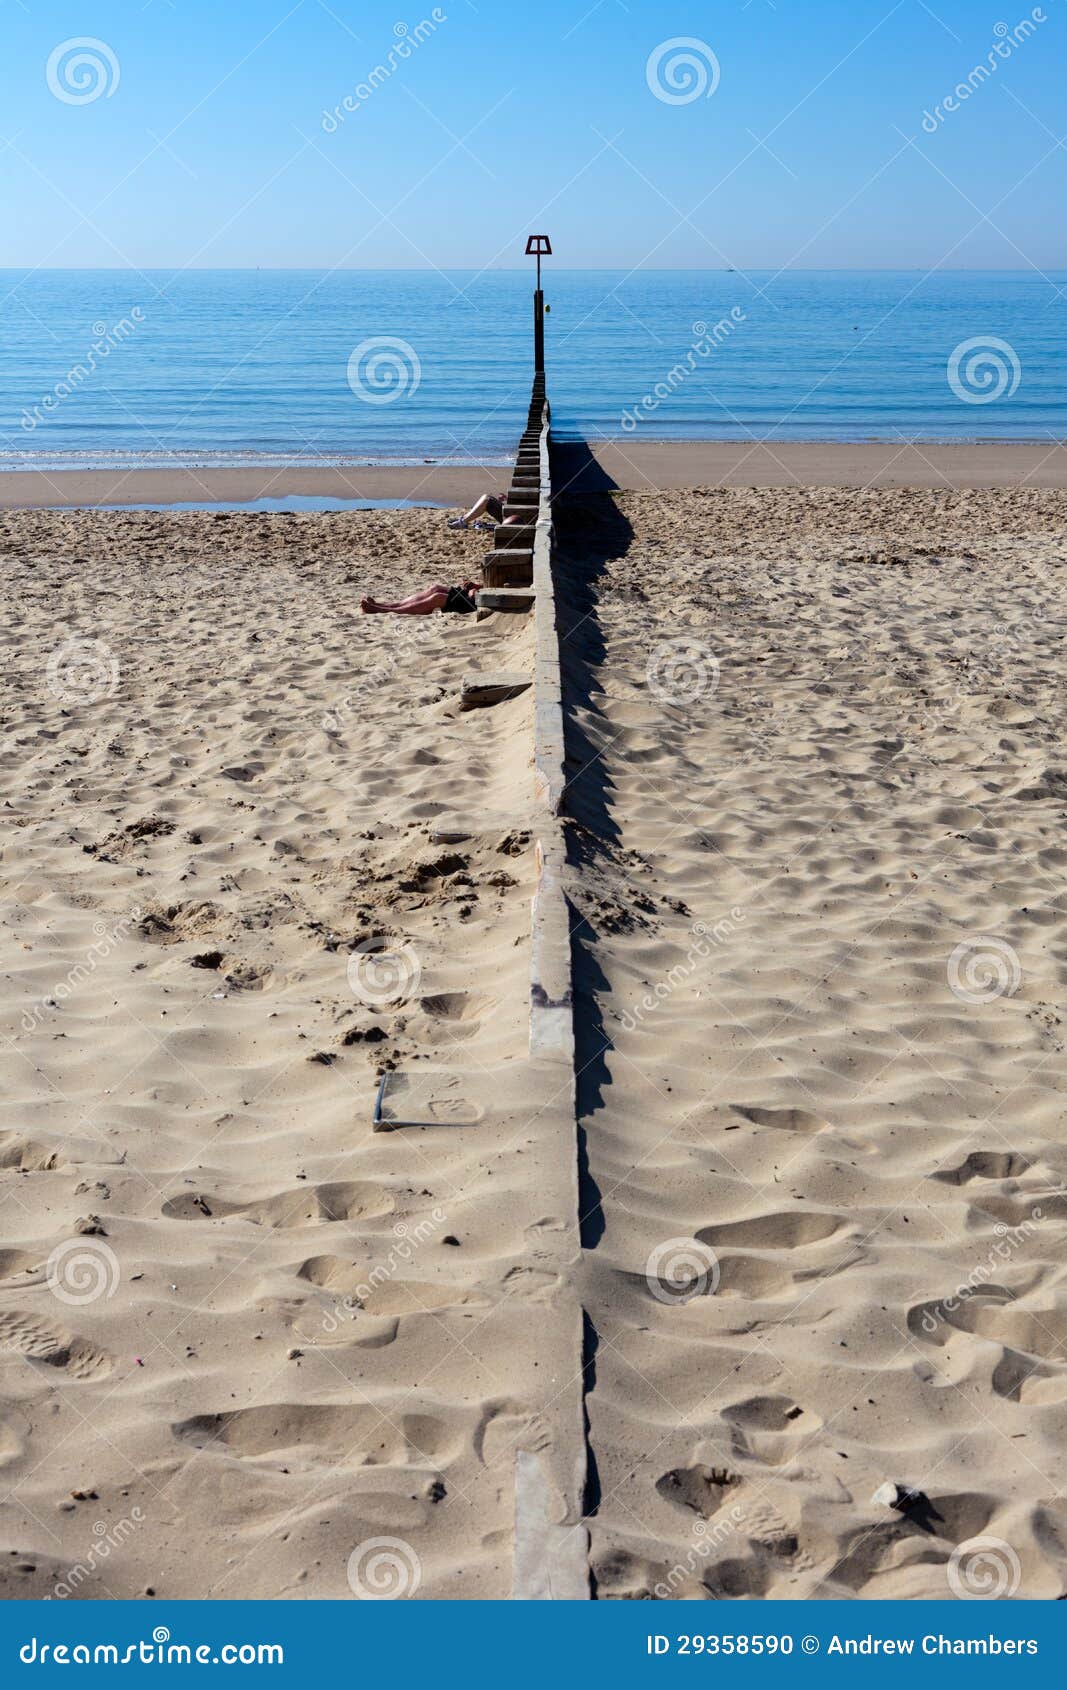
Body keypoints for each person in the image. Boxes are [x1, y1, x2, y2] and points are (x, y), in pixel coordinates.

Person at [361, 580, 479, 616]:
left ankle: (381, 610)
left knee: (437, 597)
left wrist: (473, 591)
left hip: (477, 602)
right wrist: (476, 586)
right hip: (475, 594)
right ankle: (386, 605)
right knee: (435, 588)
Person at [448, 492, 521, 531]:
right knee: (486, 497)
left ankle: (463, 521)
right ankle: (464, 519)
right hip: (515, 515)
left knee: (487, 499)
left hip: (514, 519)